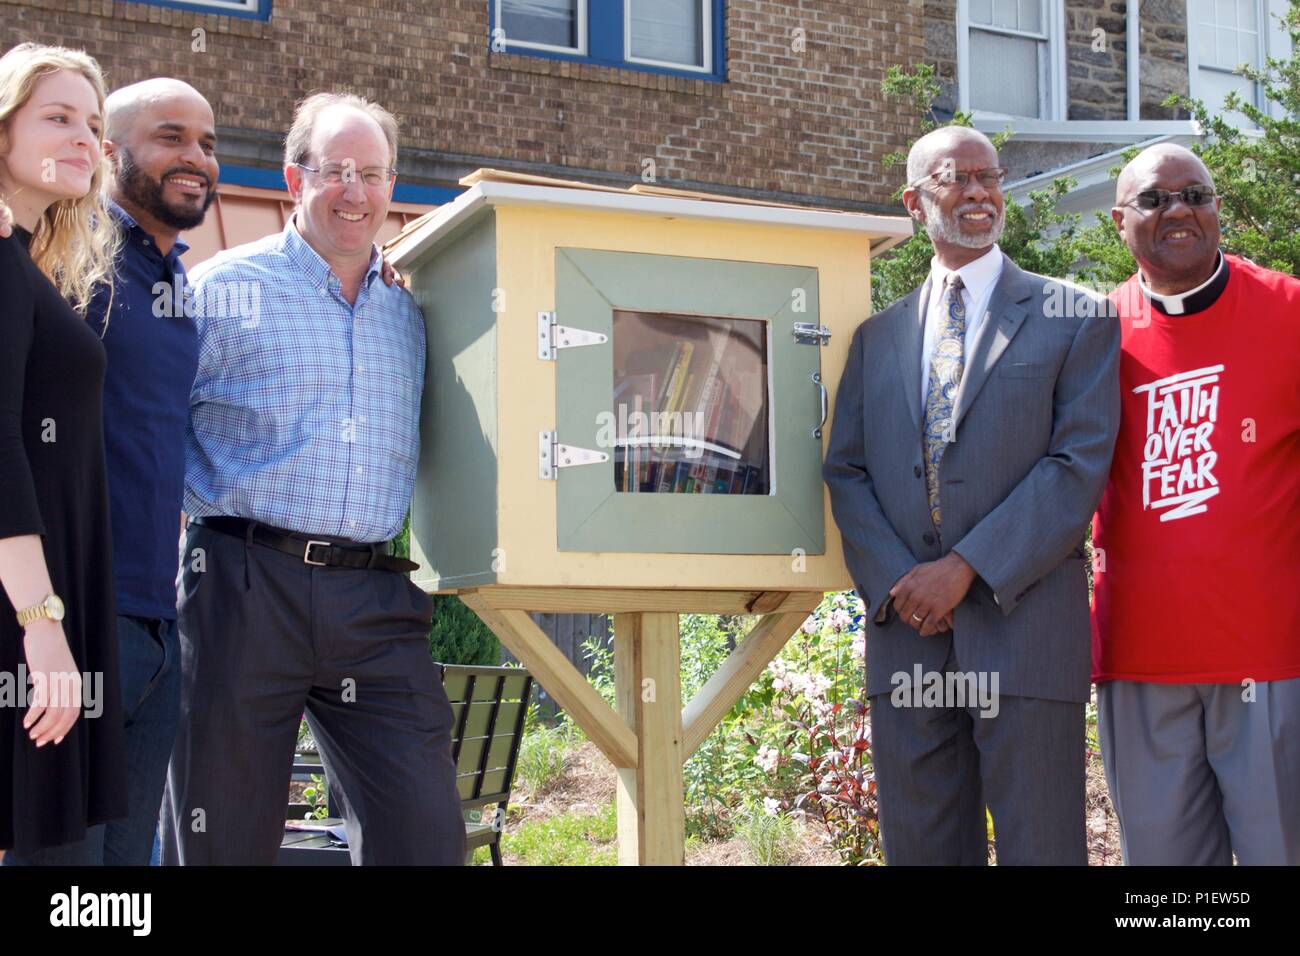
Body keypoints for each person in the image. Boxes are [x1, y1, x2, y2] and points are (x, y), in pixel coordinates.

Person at [161, 91, 464, 865]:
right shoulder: (224, 290)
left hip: (375, 599)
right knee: (221, 837)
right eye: (335, 171)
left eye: (372, 173)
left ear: (392, 185)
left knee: (424, 835)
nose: (355, 192)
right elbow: (148, 426)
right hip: (242, 585)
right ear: (296, 180)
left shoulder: (416, 309)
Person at [823, 125, 1120, 865]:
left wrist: (965, 568)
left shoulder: (1074, 316)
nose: (981, 193)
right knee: (922, 851)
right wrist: (902, 583)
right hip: (909, 640)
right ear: (915, 202)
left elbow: (1075, 465)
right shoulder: (877, 338)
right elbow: (847, 471)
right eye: (957, 179)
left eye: (991, 177)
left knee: (1041, 848)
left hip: (1025, 635)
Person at [1092, 142, 1300, 865]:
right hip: (1139, 659)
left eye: (1196, 194)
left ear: (1217, 210)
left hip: (1272, 659)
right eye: (1153, 199)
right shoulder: (1090, 332)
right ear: (1119, 222)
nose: (1178, 209)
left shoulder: (1290, 309)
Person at [0, 42, 127, 863]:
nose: (84, 138)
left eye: (92, 123)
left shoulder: (23, 261)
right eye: (57, 117)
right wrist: (41, 626)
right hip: (19, 608)